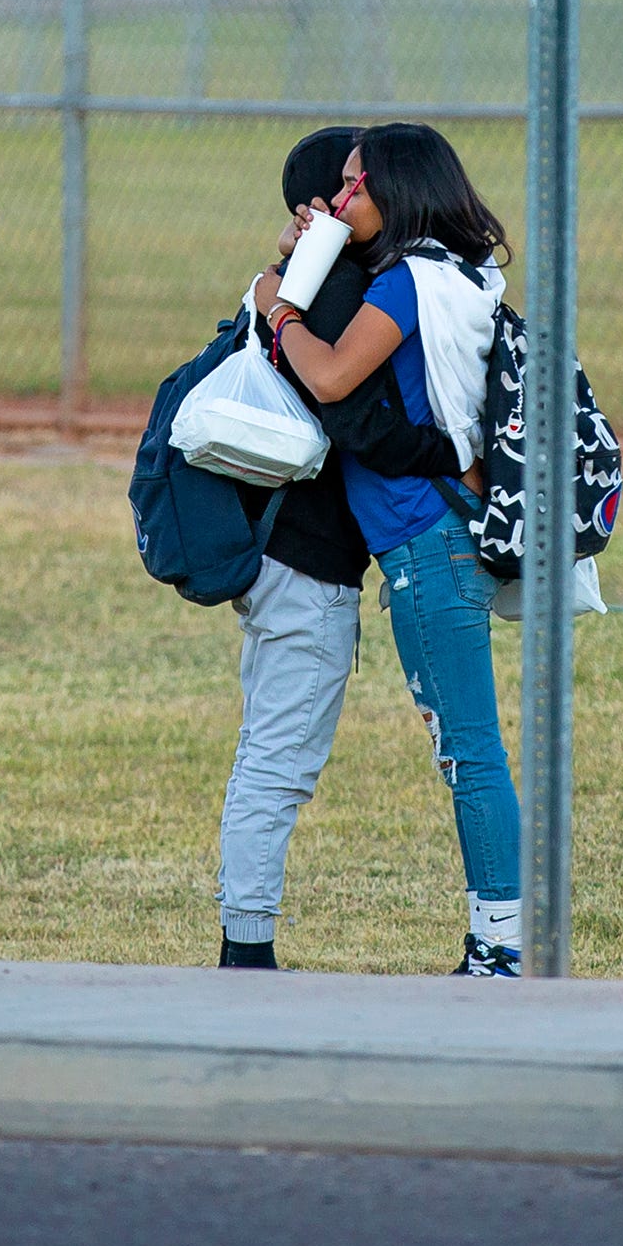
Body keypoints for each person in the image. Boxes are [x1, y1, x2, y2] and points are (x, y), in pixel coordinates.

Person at [251, 122, 521, 979]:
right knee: (467, 746)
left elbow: (330, 376)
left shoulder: (405, 283)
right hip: (438, 541)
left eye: (353, 185)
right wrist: (301, 248)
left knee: (468, 749)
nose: (340, 198)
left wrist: (278, 309)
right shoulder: (454, 271)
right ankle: (501, 939)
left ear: (396, 191)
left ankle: (503, 945)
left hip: (427, 545)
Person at [213, 127, 461, 972]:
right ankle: (246, 951)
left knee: (270, 751)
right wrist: (452, 454)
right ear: (321, 204)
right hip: (304, 562)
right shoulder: (335, 288)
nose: (363, 193)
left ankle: (245, 941)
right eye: (348, 184)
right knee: (278, 761)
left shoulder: (300, 278)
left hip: (279, 550)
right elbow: (357, 422)